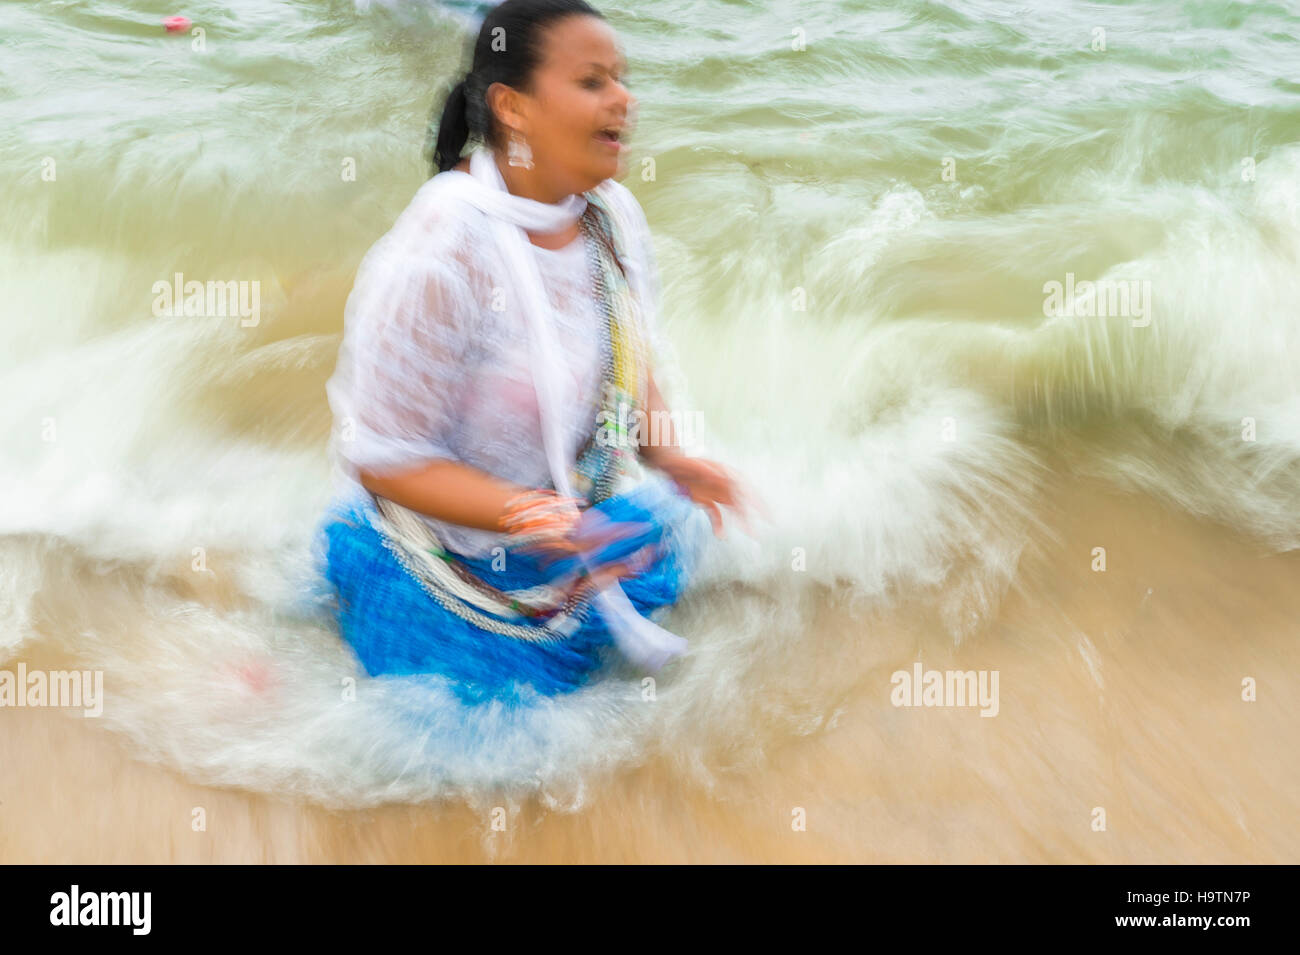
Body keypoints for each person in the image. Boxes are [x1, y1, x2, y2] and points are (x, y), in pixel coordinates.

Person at [321, 0, 744, 704]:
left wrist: (672, 457)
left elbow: (629, 363)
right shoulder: (444, 246)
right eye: (593, 82)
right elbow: (382, 458)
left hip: (570, 533)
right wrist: (527, 514)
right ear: (512, 107)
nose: (624, 100)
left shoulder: (611, 217)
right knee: (481, 754)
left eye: (623, 79)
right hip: (439, 563)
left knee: (680, 554)